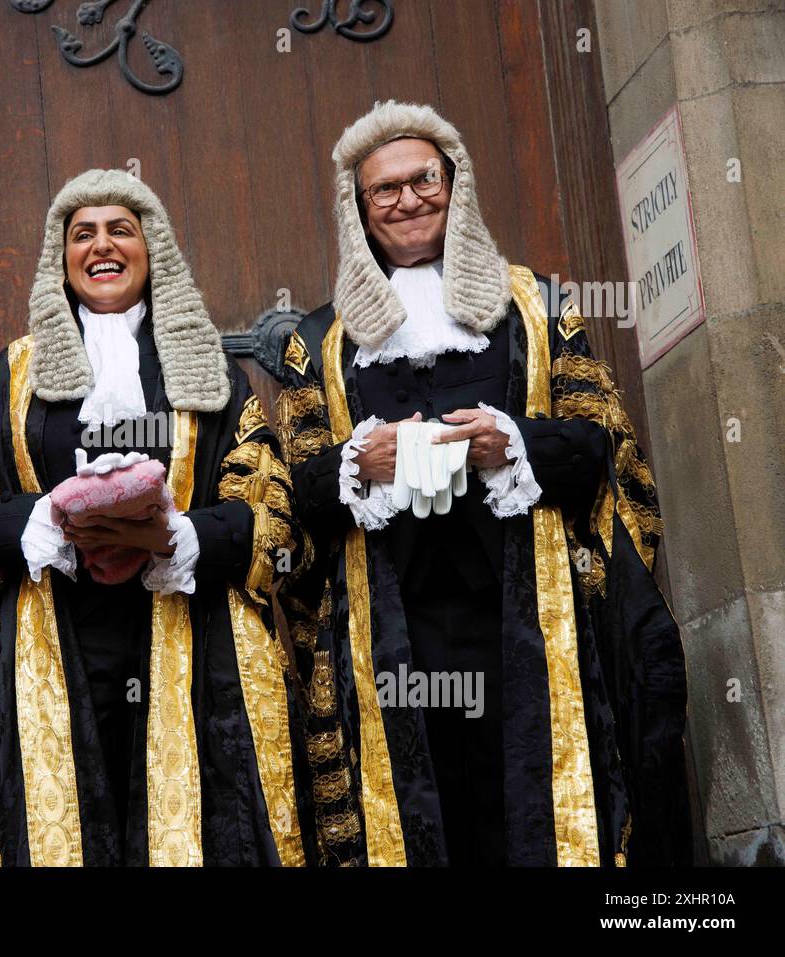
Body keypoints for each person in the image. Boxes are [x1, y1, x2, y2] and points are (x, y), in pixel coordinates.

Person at [274, 101, 689, 866]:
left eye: (422, 179)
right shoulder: (320, 341)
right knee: (425, 807)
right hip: (395, 627)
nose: (406, 200)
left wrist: (514, 442)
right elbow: (292, 488)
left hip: (523, 612)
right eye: (383, 191)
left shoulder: (536, 305)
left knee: (525, 796)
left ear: (453, 183)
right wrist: (358, 463)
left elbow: (601, 441)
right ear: (359, 209)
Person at [0, 169, 313, 866]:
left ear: (151, 248)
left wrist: (180, 537)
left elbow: (269, 506)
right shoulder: (15, 374)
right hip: (54, 639)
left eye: (120, 229)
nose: (102, 246)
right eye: (82, 233)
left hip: (187, 636)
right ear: (60, 258)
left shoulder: (205, 368)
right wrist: (40, 519)